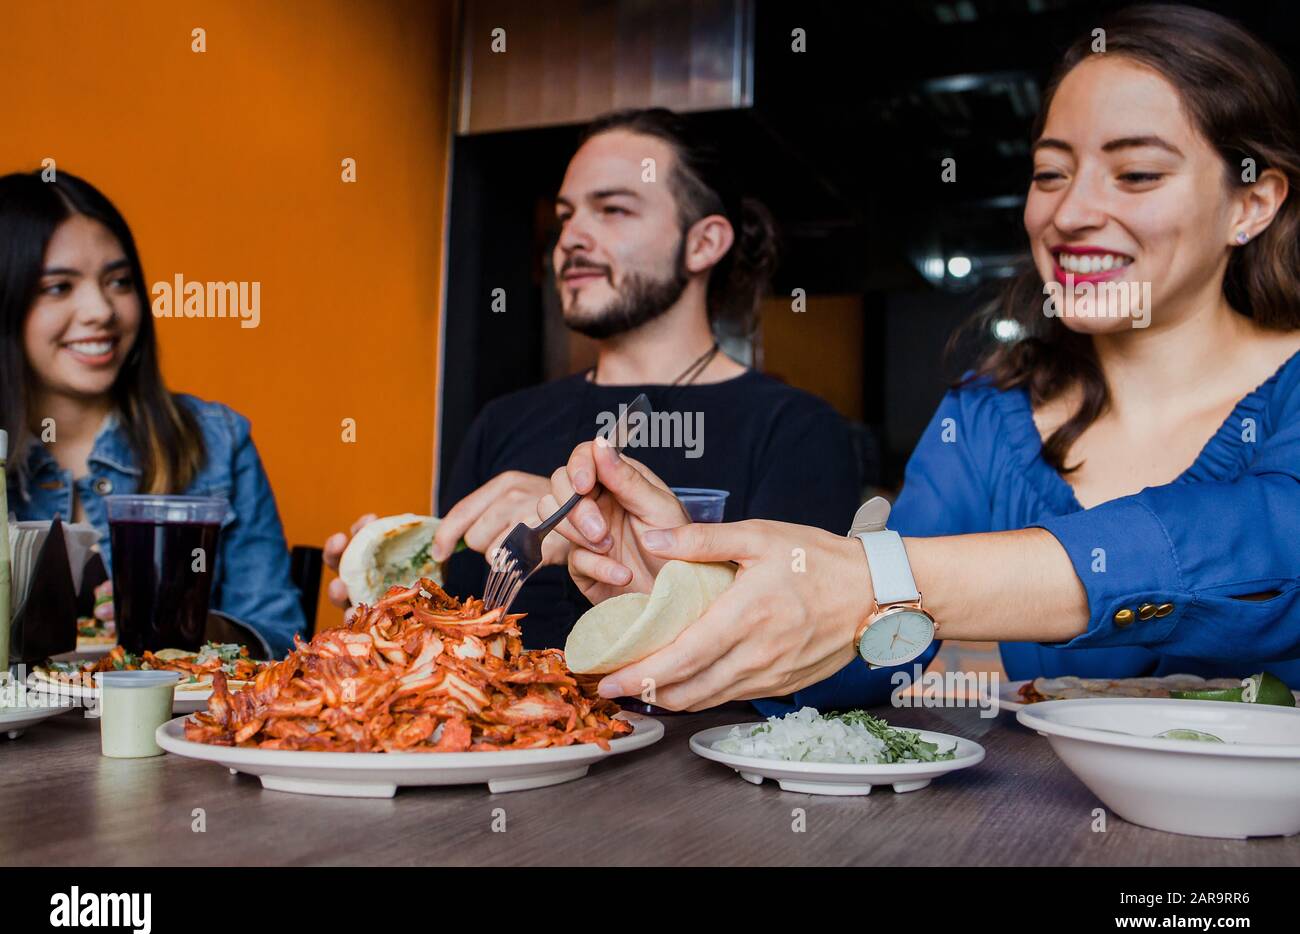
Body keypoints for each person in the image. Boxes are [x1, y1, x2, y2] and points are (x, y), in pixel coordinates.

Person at [543, 5, 1300, 712]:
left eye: (1136, 174)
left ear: (1251, 202)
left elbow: (1264, 537)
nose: (1069, 214)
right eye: (1050, 173)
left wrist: (887, 578)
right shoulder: (984, 419)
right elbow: (878, 651)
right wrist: (693, 602)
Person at [325, 108, 861, 649]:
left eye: (612, 210)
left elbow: (808, 653)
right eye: (565, 216)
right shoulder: (503, 421)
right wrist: (391, 601)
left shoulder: (796, 430)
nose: (570, 238)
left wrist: (600, 538)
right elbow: (455, 627)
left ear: (703, 244)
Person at [0, 171, 305, 655]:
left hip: (175, 730)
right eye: (59, 287)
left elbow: (281, 638)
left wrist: (197, 626)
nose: (101, 309)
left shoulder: (217, 440)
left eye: (118, 281)